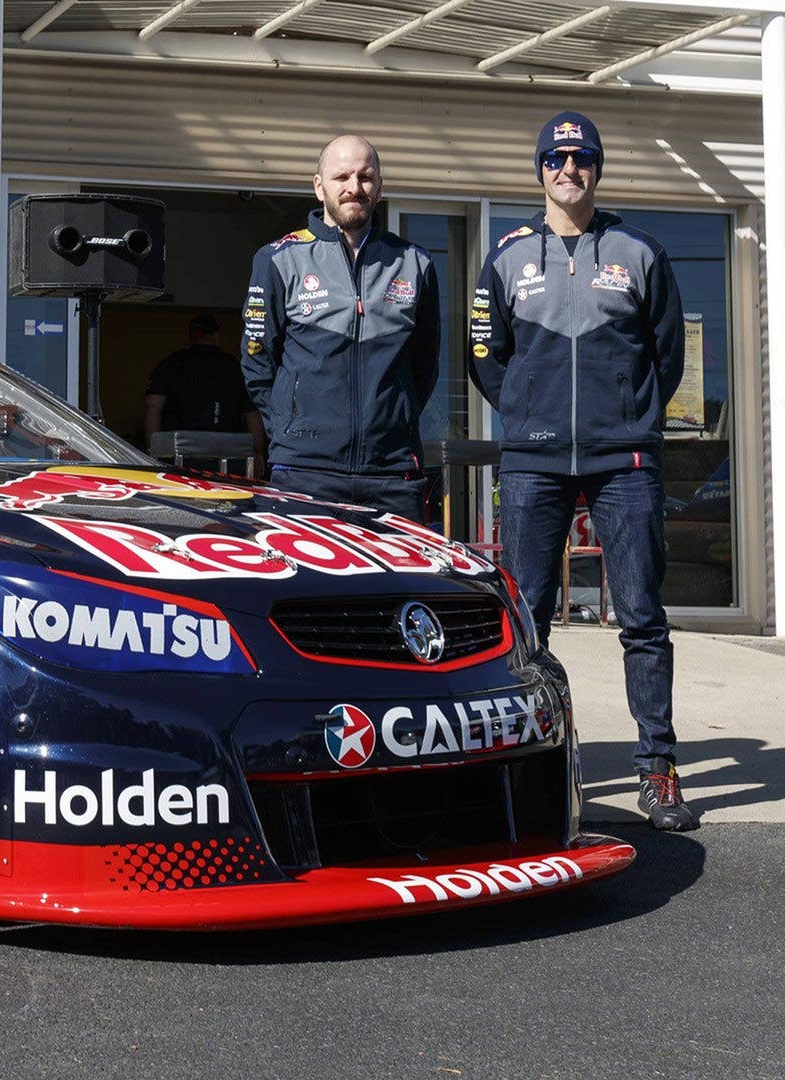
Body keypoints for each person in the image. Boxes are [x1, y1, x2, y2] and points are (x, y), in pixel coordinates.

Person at [469, 111, 696, 831]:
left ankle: (657, 770)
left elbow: (668, 358)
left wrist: (634, 421)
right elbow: (484, 354)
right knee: (527, 622)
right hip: (535, 463)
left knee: (642, 619)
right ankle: (526, 769)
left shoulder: (640, 251)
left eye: (582, 158)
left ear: (597, 168)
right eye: (557, 159)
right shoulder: (505, 258)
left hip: (623, 461)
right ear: (539, 170)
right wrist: (525, 411)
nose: (569, 170)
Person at [239, 134, 440, 518]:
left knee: (402, 580)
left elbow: (425, 365)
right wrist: (289, 427)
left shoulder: (415, 263)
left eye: (365, 177)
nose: (354, 188)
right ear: (319, 187)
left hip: (392, 473)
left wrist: (397, 418)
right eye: (341, 177)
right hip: (304, 473)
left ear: (379, 186)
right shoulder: (278, 260)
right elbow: (257, 362)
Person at [142, 313, 264, 474]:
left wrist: (153, 450)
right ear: (215, 335)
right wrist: (258, 453)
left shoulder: (172, 363)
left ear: (191, 337)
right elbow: (252, 413)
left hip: (179, 455)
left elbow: (153, 405)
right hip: (229, 456)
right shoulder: (233, 367)